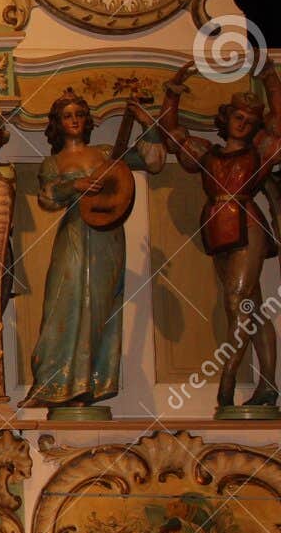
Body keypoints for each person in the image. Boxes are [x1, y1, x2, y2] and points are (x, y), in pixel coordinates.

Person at [145, 59, 281, 408]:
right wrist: (174, 89)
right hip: (219, 232)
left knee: (237, 304)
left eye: (251, 122)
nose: (244, 125)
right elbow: (172, 134)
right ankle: (268, 385)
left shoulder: (259, 153)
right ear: (227, 117)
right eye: (238, 118)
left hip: (248, 226)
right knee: (253, 305)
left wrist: (268, 75)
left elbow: (279, 126)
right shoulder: (208, 154)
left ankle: (227, 382)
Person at [21, 90, 165, 408]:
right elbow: (46, 197)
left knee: (99, 305)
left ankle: (87, 384)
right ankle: (52, 382)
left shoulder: (104, 153)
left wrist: (148, 124)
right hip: (73, 234)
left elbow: (153, 162)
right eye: (67, 116)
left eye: (79, 115)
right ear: (58, 124)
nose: (74, 120)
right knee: (63, 302)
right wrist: (74, 185)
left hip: (106, 236)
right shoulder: (53, 162)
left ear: (87, 121)